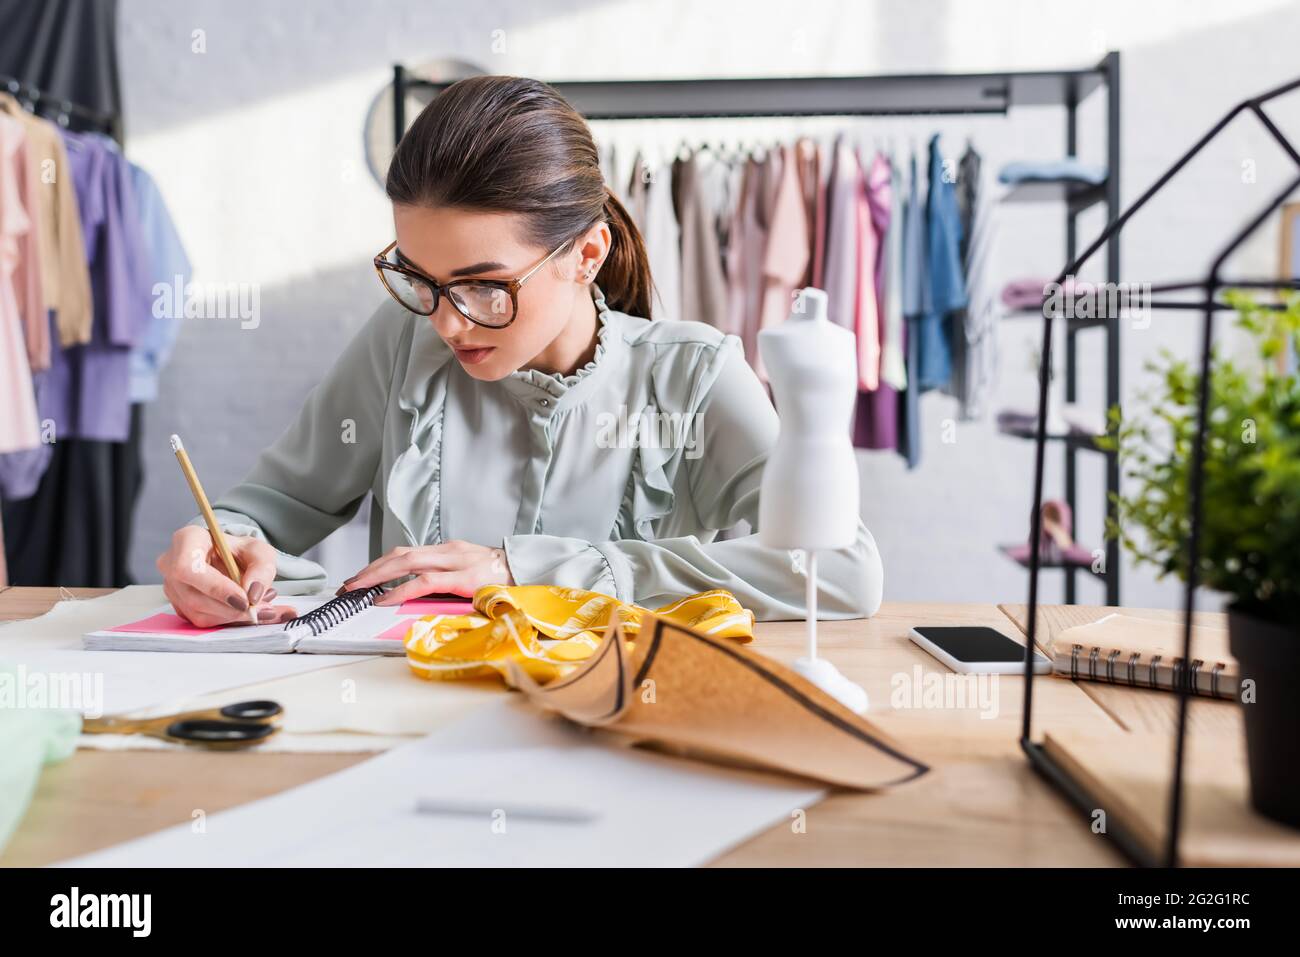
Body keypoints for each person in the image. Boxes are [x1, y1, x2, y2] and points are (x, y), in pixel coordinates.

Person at [155, 75, 883, 627]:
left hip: (625, 747)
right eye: (421, 279)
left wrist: (524, 568)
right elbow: (275, 507)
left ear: (587, 254)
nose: (446, 322)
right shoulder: (400, 342)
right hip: (408, 739)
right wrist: (217, 543)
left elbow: (841, 571)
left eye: (483, 286)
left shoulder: (693, 377)